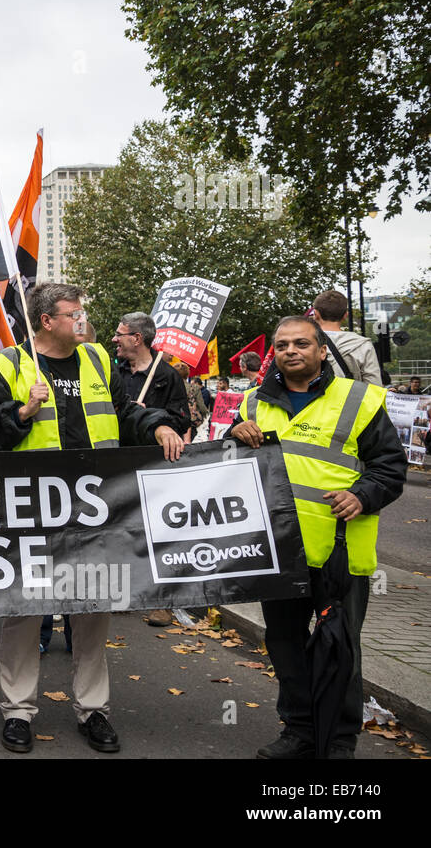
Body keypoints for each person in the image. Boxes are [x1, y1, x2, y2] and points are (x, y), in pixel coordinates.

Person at [0, 282, 183, 756]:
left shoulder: (99, 361)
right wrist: (20, 412)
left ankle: (94, 711)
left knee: (92, 611)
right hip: (31, 514)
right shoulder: (5, 365)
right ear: (46, 321)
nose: (82, 321)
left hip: (95, 512)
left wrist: (160, 423)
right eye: (73, 314)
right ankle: (19, 712)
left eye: (81, 313)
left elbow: (126, 414)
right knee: (25, 613)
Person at [226, 316, 406, 759]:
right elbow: (227, 470)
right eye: (283, 345)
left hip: (339, 552)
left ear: (321, 350)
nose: (292, 351)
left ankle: (339, 740)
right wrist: (232, 435)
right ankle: (300, 731)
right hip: (278, 550)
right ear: (275, 352)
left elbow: (390, 468)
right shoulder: (251, 404)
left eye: (302, 344)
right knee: (285, 645)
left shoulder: (358, 400)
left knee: (339, 649)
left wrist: (362, 496)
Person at [113, 311, 191, 437]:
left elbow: (182, 422)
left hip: (148, 454)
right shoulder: (114, 372)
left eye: (119, 335)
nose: (114, 339)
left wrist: (148, 416)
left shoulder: (168, 376)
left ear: (137, 339)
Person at [312, 290, 382, 385]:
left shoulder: (304, 344)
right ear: (345, 315)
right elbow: (374, 386)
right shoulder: (363, 345)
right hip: (351, 399)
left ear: (316, 314)